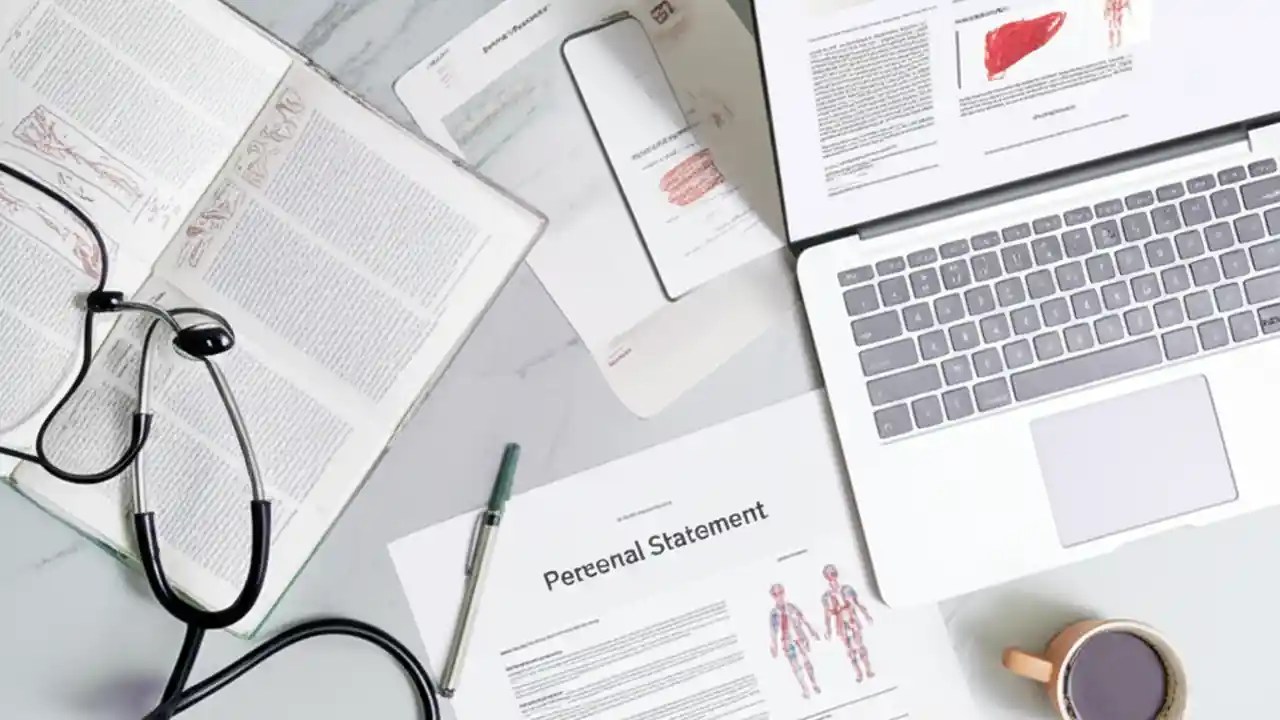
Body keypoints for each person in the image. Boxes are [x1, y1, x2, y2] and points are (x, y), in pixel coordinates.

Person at [820, 564, 875, 682]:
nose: (832, 576)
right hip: (841, 623)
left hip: (852, 619)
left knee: (860, 646)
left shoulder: (846, 589)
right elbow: (828, 614)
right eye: (829, 574)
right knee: (850, 650)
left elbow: (857, 603)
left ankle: (868, 669)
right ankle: (859, 673)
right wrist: (828, 629)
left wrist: (866, 615)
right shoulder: (827, 596)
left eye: (833, 573)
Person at [768, 583, 821, 698]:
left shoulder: (791, 607)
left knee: (807, 661)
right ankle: (805, 689)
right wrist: (774, 646)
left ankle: (814, 684)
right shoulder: (774, 614)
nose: (779, 596)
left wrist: (812, 631)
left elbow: (803, 619)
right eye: (776, 594)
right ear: (773, 596)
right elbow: (773, 631)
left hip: (799, 637)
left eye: (781, 592)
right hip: (787, 642)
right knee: (795, 666)